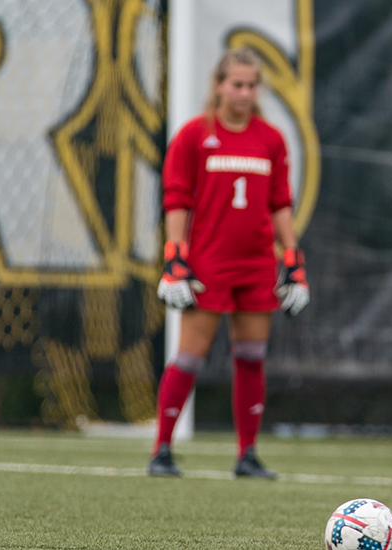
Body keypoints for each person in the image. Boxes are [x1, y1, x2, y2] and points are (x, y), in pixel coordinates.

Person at [148, 47, 309, 480]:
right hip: (209, 263)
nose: (244, 92)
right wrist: (174, 259)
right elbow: (177, 200)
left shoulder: (270, 139)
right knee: (189, 357)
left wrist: (292, 262)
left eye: (251, 85)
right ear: (218, 85)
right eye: (236, 84)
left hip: (256, 264)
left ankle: (247, 454)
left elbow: (280, 204)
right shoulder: (194, 136)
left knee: (252, 357)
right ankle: (161, 449)